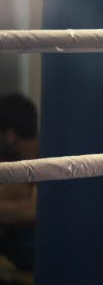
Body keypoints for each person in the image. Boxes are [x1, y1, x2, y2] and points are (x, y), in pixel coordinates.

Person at [0, 93, 38, 274]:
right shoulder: (18, 161)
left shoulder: (49, 158)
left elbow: (39, 211)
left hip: (50, 247)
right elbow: (12, 193)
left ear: (10, 135)